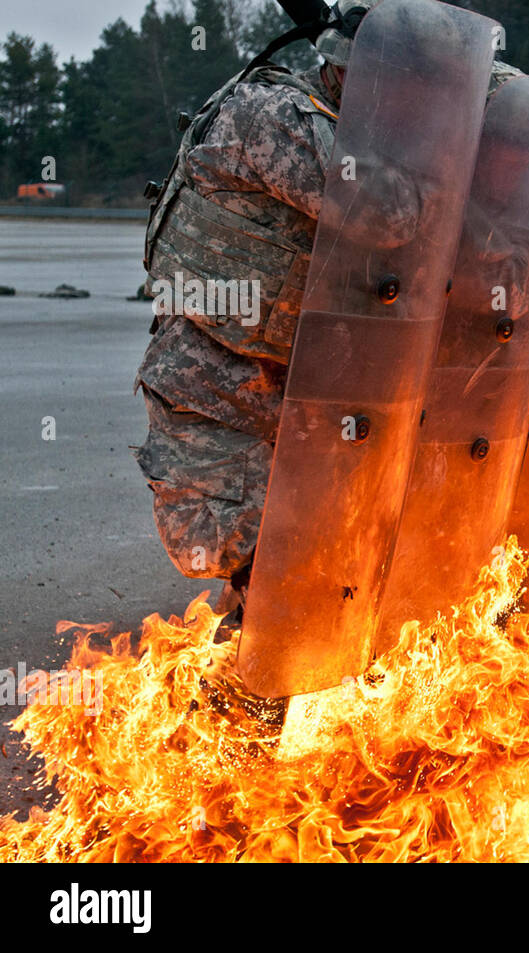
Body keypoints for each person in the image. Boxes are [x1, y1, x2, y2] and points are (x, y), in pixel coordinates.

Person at [133, 1, 373, 621]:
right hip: (216, 379)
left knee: (317, 545)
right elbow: (387, 215)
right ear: (344, 72)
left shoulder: (352, 131)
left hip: (299, 380)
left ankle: (264, 669)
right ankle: (240, 695)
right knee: (231, 542)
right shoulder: (275, 116)